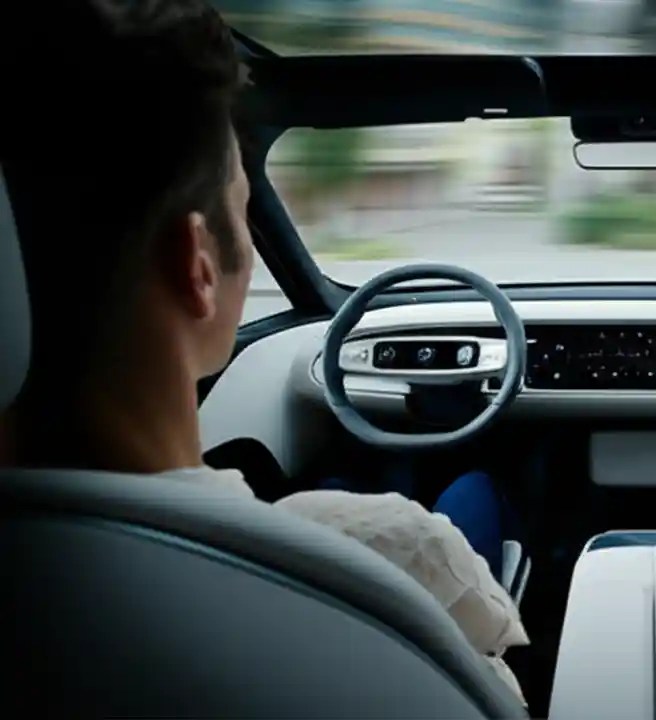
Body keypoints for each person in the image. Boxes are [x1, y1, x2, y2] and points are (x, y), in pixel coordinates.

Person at [0, 0, 526, 702]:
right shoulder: (387, 551)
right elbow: (500, 675)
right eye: (243, 204)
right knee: (472, 492)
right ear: (198, 265)